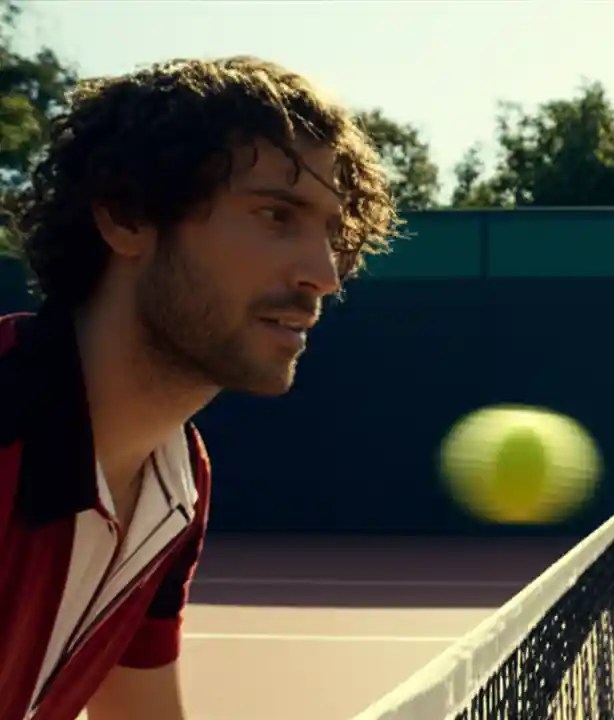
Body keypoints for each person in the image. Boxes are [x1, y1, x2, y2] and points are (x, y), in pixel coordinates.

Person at [0, 56, 397, 720]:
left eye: (331, 231)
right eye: (277, 214)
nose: (324, 274)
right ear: (127, 214)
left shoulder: (177, 480)